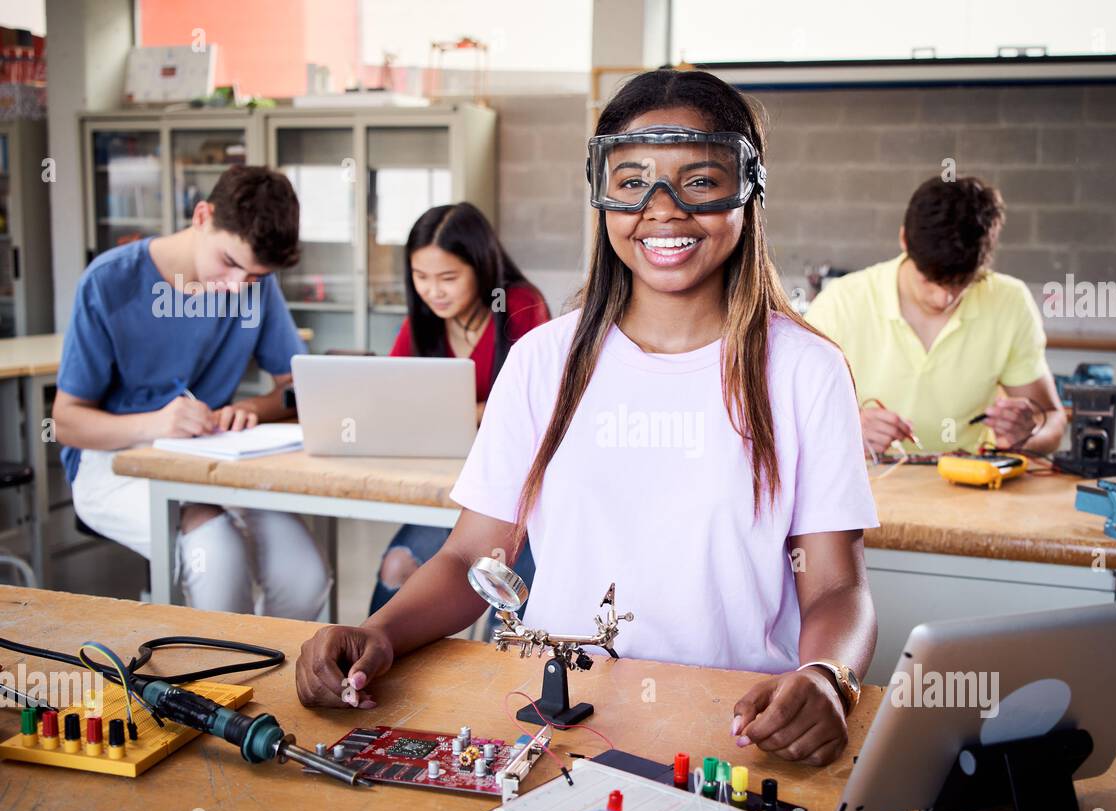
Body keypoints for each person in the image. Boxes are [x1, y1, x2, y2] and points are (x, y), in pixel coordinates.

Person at [297, 68, 879, 767]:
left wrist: (825, 678)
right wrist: (381, 634)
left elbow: (837, 586)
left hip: (735, 730)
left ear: (748, 188)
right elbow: (470, 557)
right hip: (560, 724)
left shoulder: (804, 370)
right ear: (602, 193)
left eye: (699, 180)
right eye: (632, 181)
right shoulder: (544, 361)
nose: (662, 209)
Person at [53, 165, 329, 618]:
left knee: (304, 576)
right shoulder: (109, 282)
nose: (238, 287)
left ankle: (274, 676)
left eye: (255, 277)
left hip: (215, 454)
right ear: (202, 216)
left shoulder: (253, 284)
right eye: (230, 264)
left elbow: (296, 391)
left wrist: (252, 409)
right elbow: (66, 421)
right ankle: (221, 682)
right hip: (114, 458)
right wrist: (157, 423)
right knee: (218, 551)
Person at [369, 202, 549, 614]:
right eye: (421, 277)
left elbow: (535, 405)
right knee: (397, 565)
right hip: (444, 483)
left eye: (448, 278)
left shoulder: (517, 304)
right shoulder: (423, 319)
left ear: (482, 269)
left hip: (511, 492)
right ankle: (372, 665)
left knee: (504, 597)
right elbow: (391, 395)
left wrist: (459, 412)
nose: (434, 291)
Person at [805, 176, 1067, 457]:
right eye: (930, 281)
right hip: (868, 488)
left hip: (968, 489)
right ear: (904, 239)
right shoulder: (841, 302)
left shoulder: (1009, 301)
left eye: (961, 282)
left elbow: (1053, 420)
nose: (944, 299)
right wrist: (845, 429)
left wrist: (1026, 436)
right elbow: (785, 418)